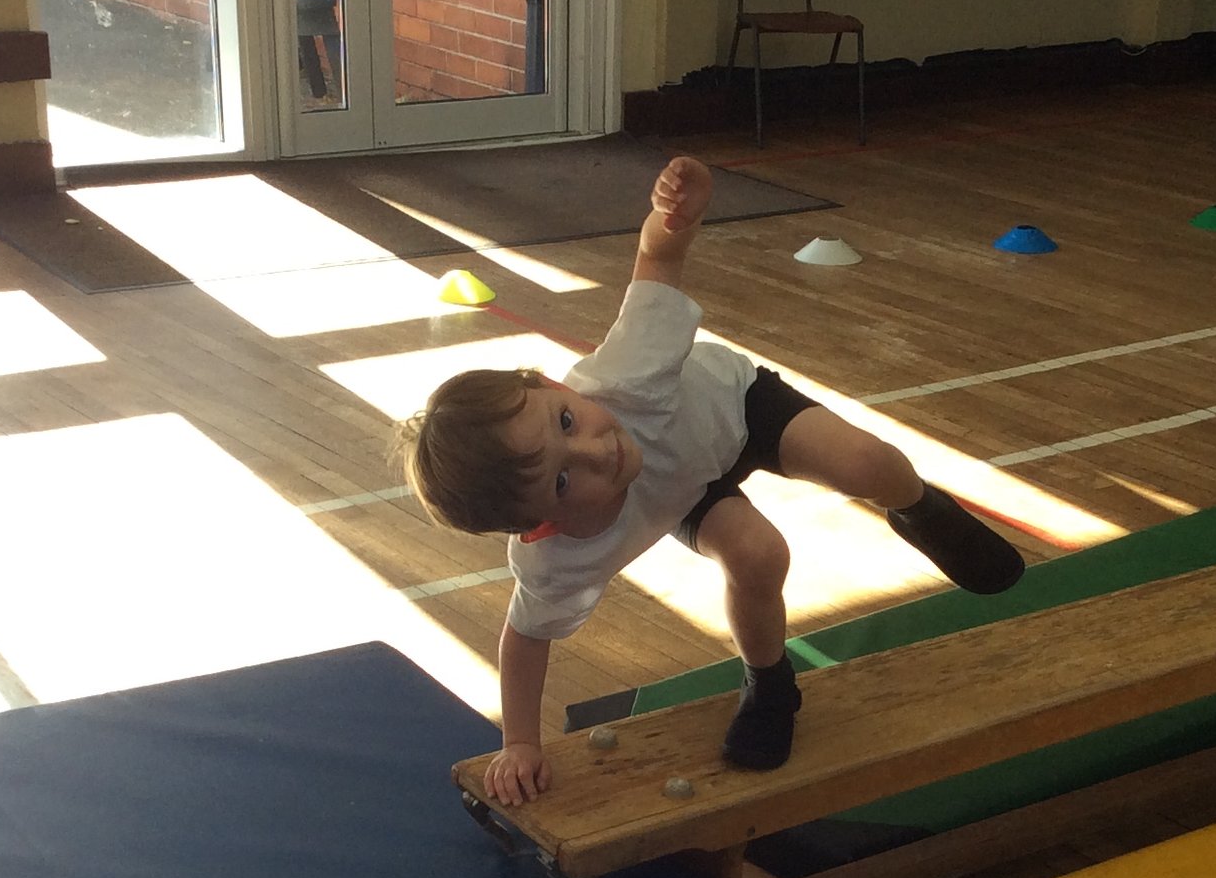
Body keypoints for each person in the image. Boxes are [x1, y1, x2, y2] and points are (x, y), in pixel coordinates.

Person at [396, 155, 1024, 805]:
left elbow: (657, 265)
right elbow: (524, 639)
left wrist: (672, 220)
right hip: (684, 488)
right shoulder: (554, 562)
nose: (597, 450)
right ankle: (770, 684)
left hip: (736, 408)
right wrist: (519, 740)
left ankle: (920, 508)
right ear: (540, 526)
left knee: (869, 465)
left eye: (567, 418)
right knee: (758, 554)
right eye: (561, 482)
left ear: (559, 385)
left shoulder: (623, 378)